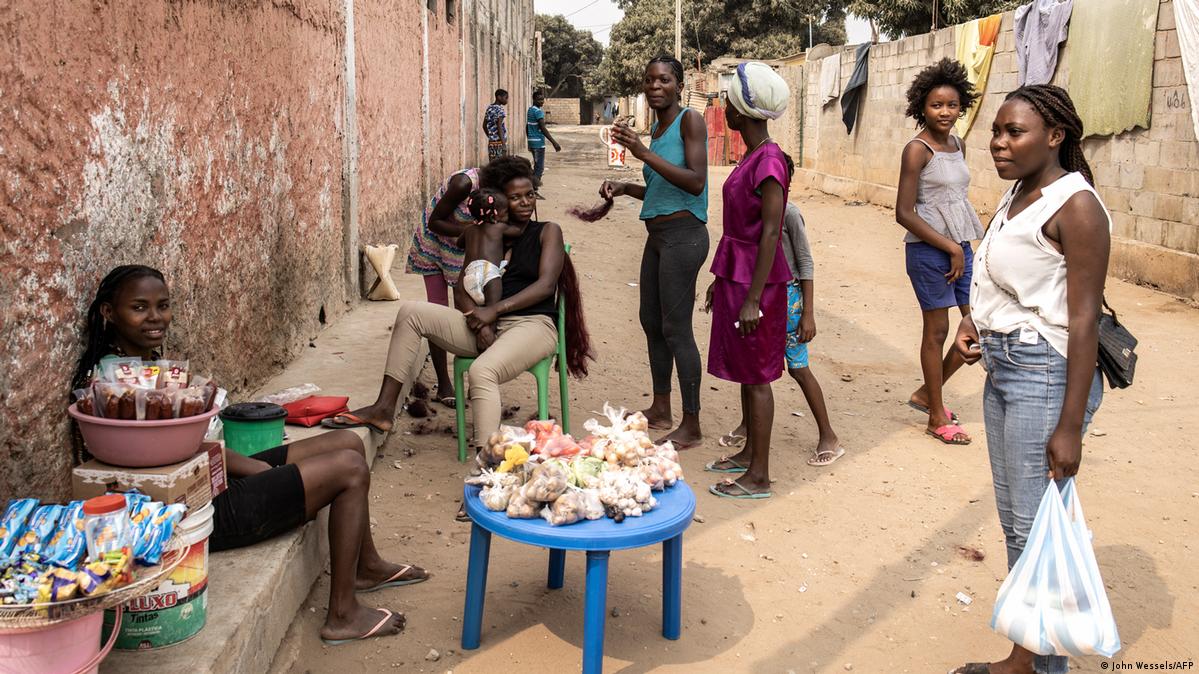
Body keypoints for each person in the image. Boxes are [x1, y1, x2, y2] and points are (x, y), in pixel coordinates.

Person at [70, 265, 424, 646]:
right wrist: (257, 470)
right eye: (139, 308)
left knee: (349, 443)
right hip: (197, 514)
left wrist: (249, 466)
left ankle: (365, 567)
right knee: (349, 468)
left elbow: (199, 450)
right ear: (109, 313)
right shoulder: (113, 389)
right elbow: (183, 458)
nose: (155, 317)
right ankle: (342, 613)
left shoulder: (152, 368)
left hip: (212, 481)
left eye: (163, 305)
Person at [950, 84, 1110, 674]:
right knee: (1021, 523)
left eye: (1013, 132)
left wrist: (1070, 428)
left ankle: (1039, 667)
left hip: (1046, 374)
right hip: (1005, 367)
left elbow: (1084, 317)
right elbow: (1002, 275)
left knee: (1033, 525)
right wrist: (973, 322)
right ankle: (1026, 659)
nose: (998, 142)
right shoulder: (1020, 194)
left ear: (1056, 136)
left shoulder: (1076, 205)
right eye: (996, 130)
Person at [331, 156, 593, 459]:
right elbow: (462, 286)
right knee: (411, 313)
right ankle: (383, 409)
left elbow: (546, 285)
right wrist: (478, 322)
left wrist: (493, 313)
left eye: (530, 195)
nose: (524, 203)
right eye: (515, 197)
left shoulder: (547, 231)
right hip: (485, 325)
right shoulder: (482, 235)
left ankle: (488, 466)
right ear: (498, 200)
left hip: (531, 325)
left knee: (482, 371)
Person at [599, 55, 709, 449]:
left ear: (679, 84)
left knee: (677, 329)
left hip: (685, 236)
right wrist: (627, 187)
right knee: (651, 320)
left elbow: (695, 183)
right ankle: (661, 407)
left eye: (663, 80)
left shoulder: (689, 121)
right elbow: (665, 188)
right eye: (649, 81)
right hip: (659, 237)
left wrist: (643, 154)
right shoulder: (660, 129)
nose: (655, 87)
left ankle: (691, 423)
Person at [712, 152, 843, 468]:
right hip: (759, 295)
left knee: (798, 368)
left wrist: (808, 313)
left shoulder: (790, 215)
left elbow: (806, 263)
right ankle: (749, 429)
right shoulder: (753, 215)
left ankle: (829, 436)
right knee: (751, 367)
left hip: (789, 298)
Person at [701, 62, 790, 499]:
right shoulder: (752, 156)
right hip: (740, 275)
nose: (723, 107)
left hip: (760, 282)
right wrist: (723, 279)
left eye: (728, 100)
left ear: (742, 110)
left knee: (758, 376)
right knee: (745, 370)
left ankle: (759, 475)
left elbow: (771, 232)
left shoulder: (770, 161)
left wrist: (753, 297)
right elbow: (742, 228)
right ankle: (748, 453)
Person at [894, 58, 983, 446]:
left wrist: (960, 246)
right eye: (936, 105)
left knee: (979, 324)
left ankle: (928, 392)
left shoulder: (958, 144)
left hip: (961, 247)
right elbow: (903, 212)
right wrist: (948, 246)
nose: (945, 112)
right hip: (930, 251)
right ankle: (935, 415)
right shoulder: (917, 150)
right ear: (921, 107)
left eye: (951, 104)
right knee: (939, 330)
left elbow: (956, 198)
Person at [405, 157, 529, 407]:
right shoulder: (464, 183)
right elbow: (435, 222)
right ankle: (444, 384)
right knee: (437, 310)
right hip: (436, 244)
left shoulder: (494, 203)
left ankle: (477, 377)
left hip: (466, 243)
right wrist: (475, 230)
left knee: (473, 305)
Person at [459, 188, 515, 310]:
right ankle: (491, 327)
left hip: (470, 274)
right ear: (494, 215)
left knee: (472, 313)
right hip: (489, 272)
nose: (507, 216)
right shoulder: (500, 228)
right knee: (492, 310)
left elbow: (459, 243)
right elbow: (518, 231)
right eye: (506, 213)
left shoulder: (468, 230)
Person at [526, 91, 561, 182]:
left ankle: (532, 189)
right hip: (538, 143)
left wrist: (529, 139)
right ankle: (534, 189)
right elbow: (543, 128)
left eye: (542, 99)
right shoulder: (538, 112)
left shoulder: (530, 110)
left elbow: (527, 126)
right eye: (539, 99)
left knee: (536, 166)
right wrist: (554, 143)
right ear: (534, 99)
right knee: (539, 168)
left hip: (532, 142)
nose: (541, 101)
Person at [484, 89, 509, 161]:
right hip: (499, 142)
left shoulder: (489, 108)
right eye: (506, 98)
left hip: (491, 143)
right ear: (499, 97)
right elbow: (499, 126)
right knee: (501, 166)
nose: (507, 100)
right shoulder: (500, 110)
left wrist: (490, 136)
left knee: (492, 165)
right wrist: (503, 143)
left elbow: (484, 125)